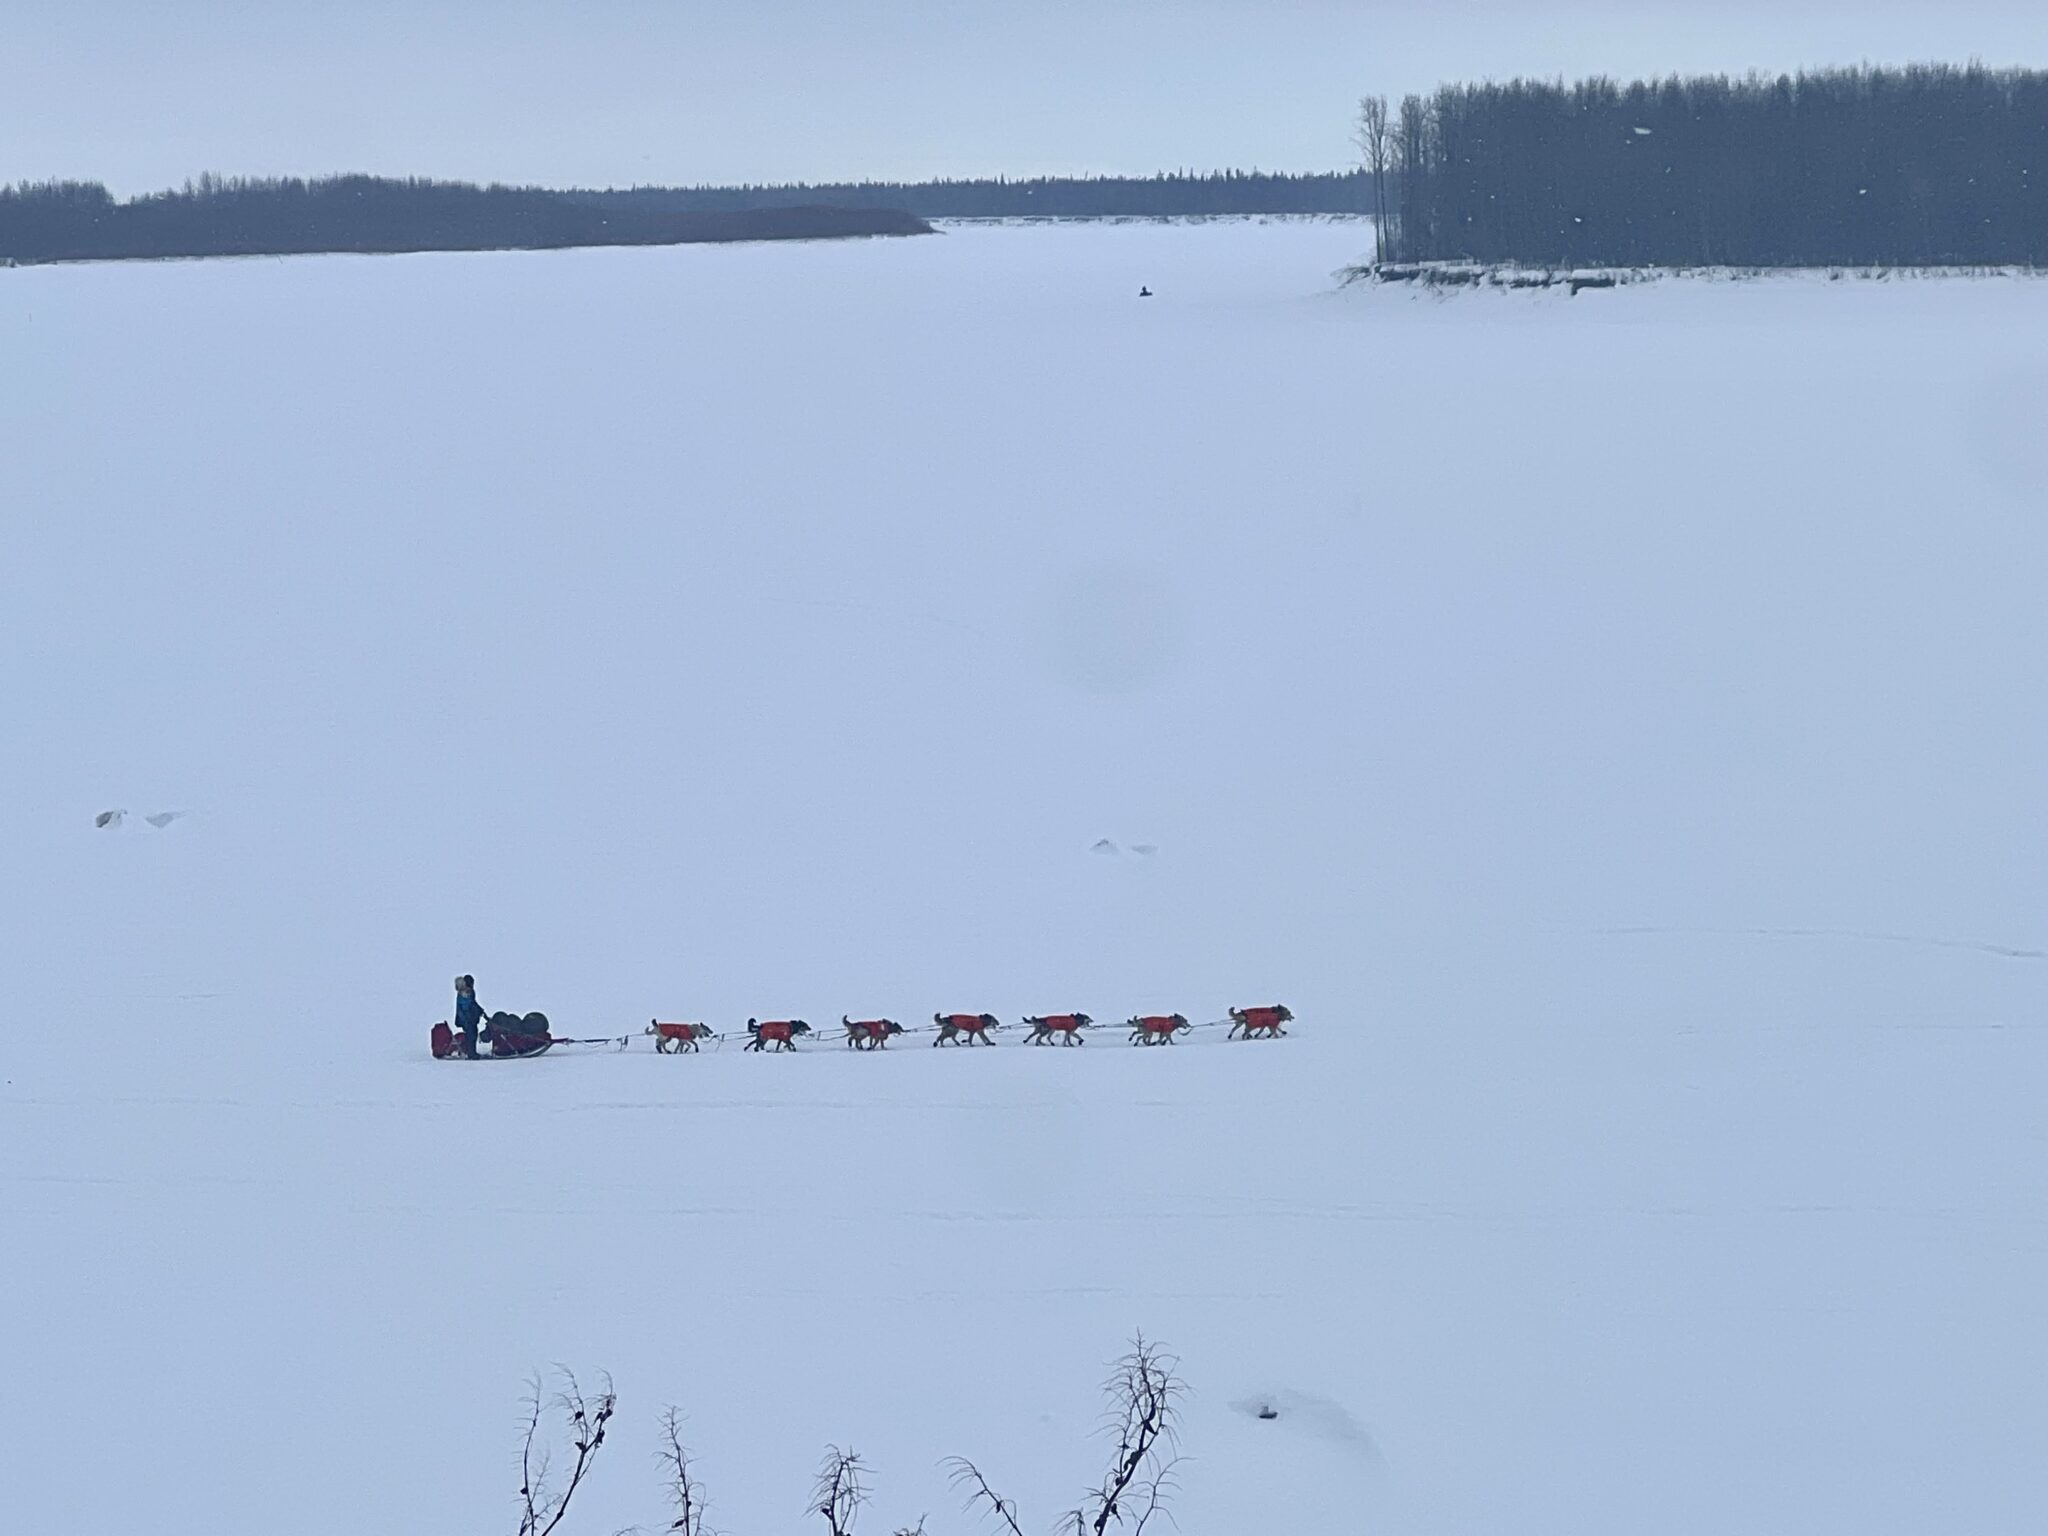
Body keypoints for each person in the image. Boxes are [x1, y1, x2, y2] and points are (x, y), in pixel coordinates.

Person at [453, 975, 484, 1060]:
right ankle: (471, 1053)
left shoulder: (466, 993)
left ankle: (472, 1052)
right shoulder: (465, 993)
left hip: (469, 1019)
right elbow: (468, 1006)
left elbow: (473, 1003)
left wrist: (480, 1010)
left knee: (472, 1034)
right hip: (467, 1019)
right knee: (471, 1035)